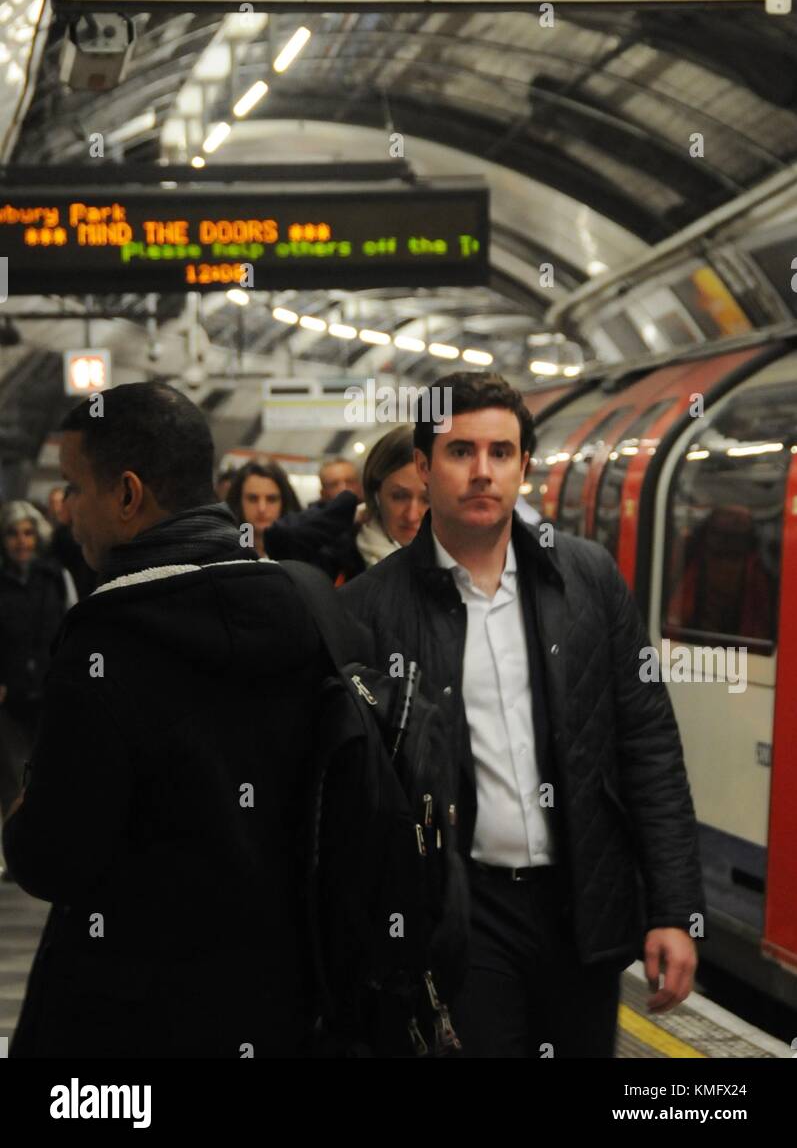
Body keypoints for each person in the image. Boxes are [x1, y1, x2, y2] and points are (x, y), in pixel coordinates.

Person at [341, 371, 704, 1059]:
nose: (483, 472)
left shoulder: (587, 580)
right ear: (423, 467)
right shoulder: (369, 610)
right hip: (463, 915)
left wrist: (672, 911)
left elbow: (647, 744)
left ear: (523, 468)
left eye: (500, 453)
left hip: (580, 906)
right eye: (460, 452)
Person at [2, 382, 329, 1058]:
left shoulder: (104, 639)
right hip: (282, 999)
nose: (68, 517)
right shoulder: (306, 606)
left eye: (75, 491)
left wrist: (21, 818)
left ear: (126, 495)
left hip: (130, 1012)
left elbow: (57, 858)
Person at [0, 501, 77, 835]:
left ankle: (49, 844)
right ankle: (18, 850)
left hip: (49, 690)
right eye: (14, 534)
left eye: (28, 533)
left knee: (50, 773)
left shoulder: (55, 577)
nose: (22, 541)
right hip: (9, 696)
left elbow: (74, 627)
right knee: (15, 776)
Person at [319, 426, 428, 584]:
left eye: (427, 499)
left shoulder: (466, 564)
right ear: (375, 494)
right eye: (399, 496)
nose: (411, 515)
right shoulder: (336, 562)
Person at [225, 458, 301, 559]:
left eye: (271, 499)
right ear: (238, 502)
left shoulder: (302, 555)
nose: (262, 508)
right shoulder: (222, 552)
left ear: (284, 502)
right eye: (253, 499)